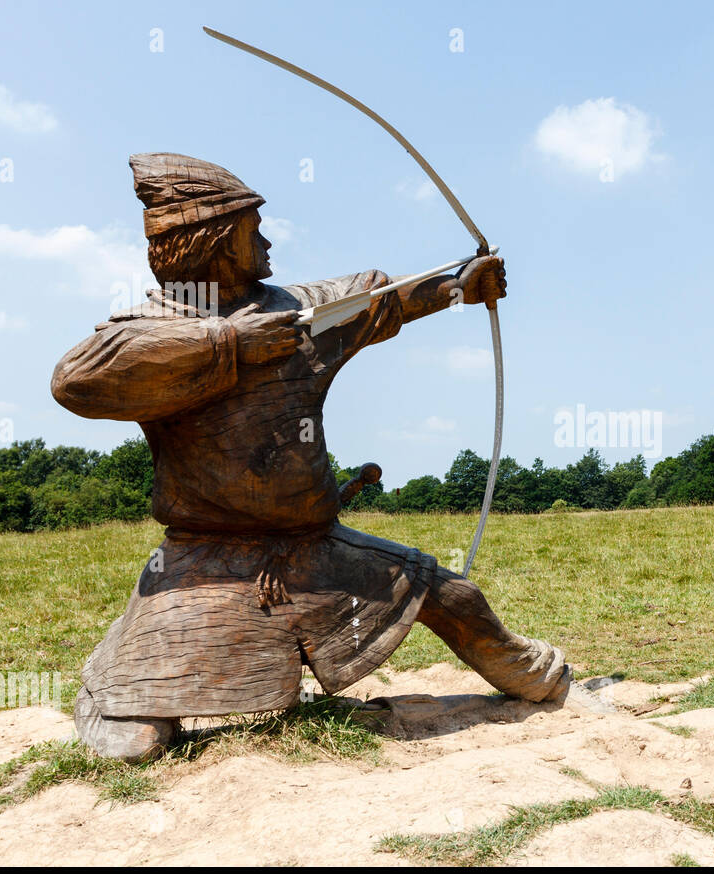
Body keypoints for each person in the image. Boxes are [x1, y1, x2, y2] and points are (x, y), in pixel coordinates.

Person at [52, 153, 570, 761]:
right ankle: (116, 694)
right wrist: (230, 346)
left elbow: (386, 299)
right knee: (131, 747)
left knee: (449, 595)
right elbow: (77, 379)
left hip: (310, 548)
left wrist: (461, 285)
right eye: (252, 230)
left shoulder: (299, 313)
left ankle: (536, 674)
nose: (268, 241)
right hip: (201, 563)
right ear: (215, 244)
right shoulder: (150, 328)